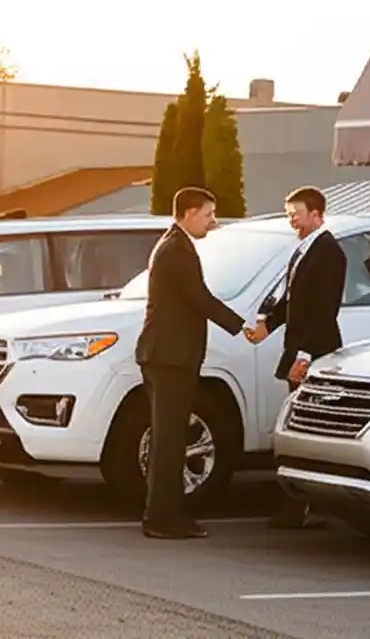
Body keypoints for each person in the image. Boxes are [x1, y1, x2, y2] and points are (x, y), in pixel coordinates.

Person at [136, 187, 247, 539]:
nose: (212, 222)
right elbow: (200, 299)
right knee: (169, 441)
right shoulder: (175, 250)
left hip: (168, 356)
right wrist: (242, 326)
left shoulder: (176, 246)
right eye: (207, 214)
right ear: (187, 212)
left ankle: (163, 514)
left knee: (169, 439)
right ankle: (162, 518)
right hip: (169, 358)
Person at [247, 186, 347, 529]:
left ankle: (307, 506)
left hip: (314, 351)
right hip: (299, 347)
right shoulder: (303, 249)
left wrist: (304, 356)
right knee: (297, 427)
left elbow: (323, 310)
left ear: (316, 214)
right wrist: (268, 326)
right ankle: (299, 505)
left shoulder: (329, 252)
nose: (291, 219)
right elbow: (294, 301)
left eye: (296, 213)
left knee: (310, 429)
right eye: (289, 213)